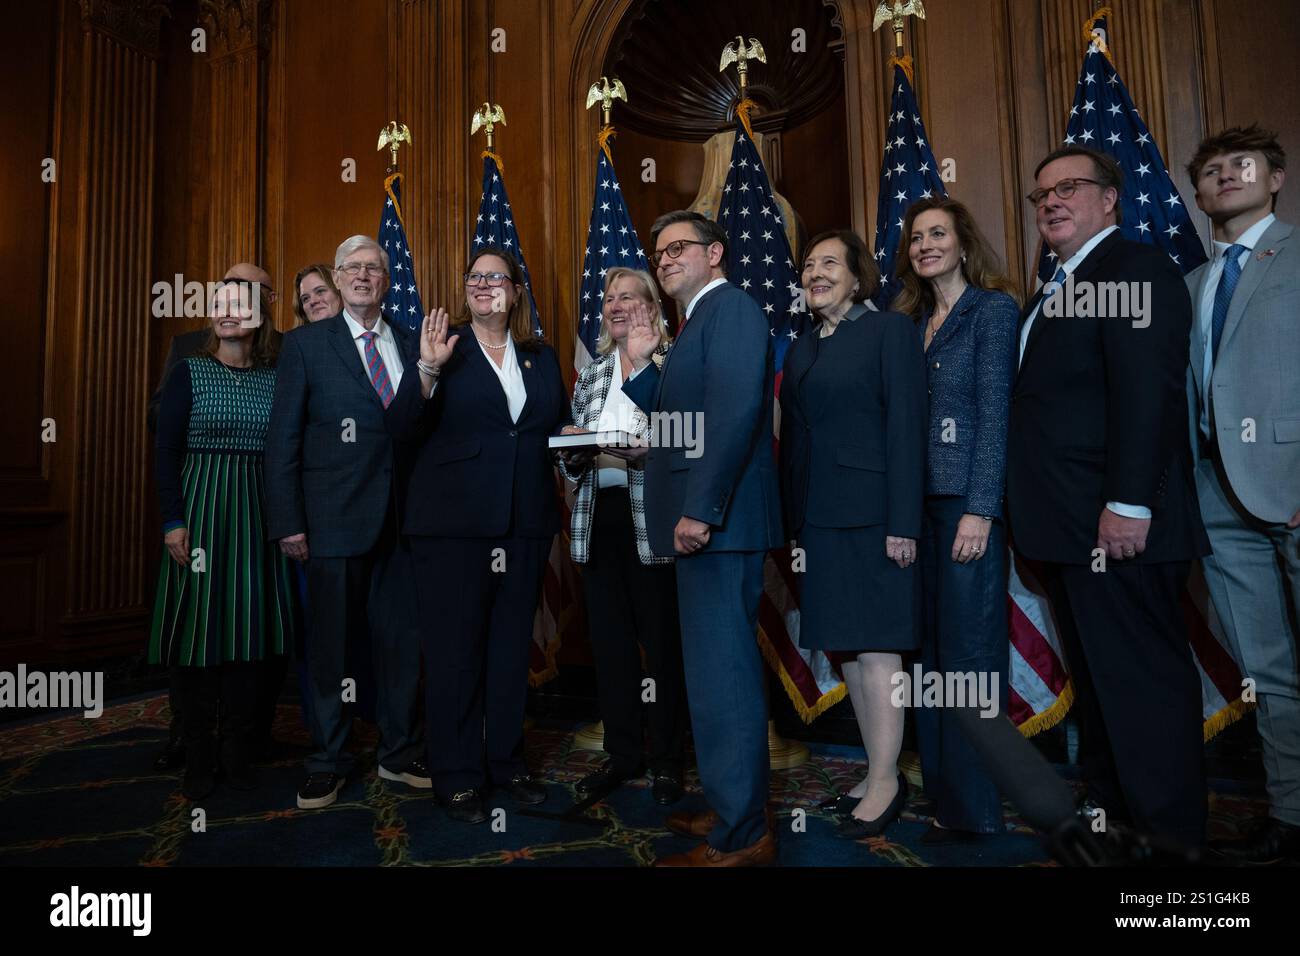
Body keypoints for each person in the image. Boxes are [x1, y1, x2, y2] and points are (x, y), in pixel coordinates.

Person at [1007, 146, 1210, 849]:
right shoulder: (1055, 286)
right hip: (1064, 525)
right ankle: (1116, 818)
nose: (1051, 202)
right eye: (1041, 196)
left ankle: (1170, 838)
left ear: (1110, 199)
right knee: (1100, 683)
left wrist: (1130, 503)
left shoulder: (1135, 268)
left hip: (1116, 522)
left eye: (1068, 188)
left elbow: (1145, 395)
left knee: (1142, 682)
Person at [622, 210, 784, 867]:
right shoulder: (694, 326)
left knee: (725, 678)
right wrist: (639, 370)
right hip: (703, 524)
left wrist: (703, 508)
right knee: (714, 677)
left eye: (677, 248)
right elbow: (685, 420)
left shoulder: (734, 310)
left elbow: (738, 412)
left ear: (716, 252)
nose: (663, 260)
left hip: (717, 523)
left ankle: (745, 836)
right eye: (658, 253)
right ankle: (732, 803)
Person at [387, 246, 569, 824]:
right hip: (453, 531)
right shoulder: (444, 347)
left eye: (497, 277)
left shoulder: (541, 358)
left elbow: (551, 430)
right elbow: (400, 431)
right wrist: (427, 371)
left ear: (516, 291)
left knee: (511, 654)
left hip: (523, 527)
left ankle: (507, 766)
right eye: (475, 276)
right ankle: (458, 775)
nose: (485, 284)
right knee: (455, 656)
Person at [265, 235, 428, 810]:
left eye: (374, 268)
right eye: (353, 268)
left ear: (387, 280)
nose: (363, 276)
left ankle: (399, 753)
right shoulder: (305, 346)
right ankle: (328, 760)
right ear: (337, 278)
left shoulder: (412, 345)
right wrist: (289, 522)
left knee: (402, 646)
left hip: (403, 525)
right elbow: (282, 440)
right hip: (332, 522)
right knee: (331, 649)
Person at [781, 229, 925, 840]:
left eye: (829, 264)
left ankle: (889, 779)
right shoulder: (803, 346)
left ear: (858, 276)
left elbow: (906, 429)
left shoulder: (889, 331)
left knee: (879, 646)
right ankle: (876, 768)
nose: (816, 273)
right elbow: (796, 443)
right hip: (819, 519)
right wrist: (794, 529)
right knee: (849, 648)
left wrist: (903, 523)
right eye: (809, 265)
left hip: (875, 516)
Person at [1185, 125, 1300, 864]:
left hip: (1291, 488)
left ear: (1277, 177)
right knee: (1269, 670)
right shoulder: (1192, 283)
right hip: (1219, 500)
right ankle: (1292, 814)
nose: (1225, 176)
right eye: (1212, 171)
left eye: (1241, 165)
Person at [892, 198, 1020, 843]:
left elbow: (997, 415)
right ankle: (942, 793)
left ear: (963, 243)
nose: (925, 246)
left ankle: (975, 808)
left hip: (966, 510)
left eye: (937, 234)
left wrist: (980, 510)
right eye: (916, 238)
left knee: (970, 657)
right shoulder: (906, 320)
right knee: (931, 659)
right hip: (915, 513)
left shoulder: (993, 311)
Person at [149, 279, 297, 800]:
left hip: (257, 517)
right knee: (197, 639)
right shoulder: (189, 372)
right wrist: (172, 519)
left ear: (259, 319)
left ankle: (237, 755)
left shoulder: (275, 377)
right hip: (202, 513)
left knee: (248, 639)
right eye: (220, 306)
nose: (227, 314)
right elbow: (165, 452)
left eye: (239, 307)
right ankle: (197, 758)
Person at [556, 267, 688, 806]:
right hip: (599, 519)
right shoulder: (591, 375)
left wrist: (651, 450)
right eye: (609, 297)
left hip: (652, 517)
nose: (615, 305)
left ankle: (668, 761)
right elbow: (571, 464)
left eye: (628, 296)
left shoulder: (673, 359)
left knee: (661, 647)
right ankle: (623, 753)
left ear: (652, 306)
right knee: (609, 647)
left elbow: (686, 437)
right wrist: (570, 452)